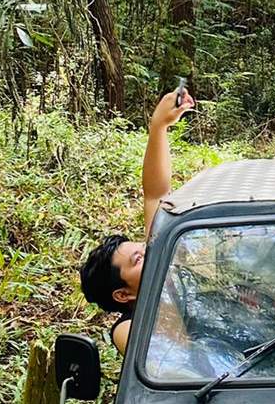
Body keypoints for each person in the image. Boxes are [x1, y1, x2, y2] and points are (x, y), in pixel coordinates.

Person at [80, 90, 195, 353]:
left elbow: (155, 194)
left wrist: (159, 126)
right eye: (138, 259)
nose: (149, 252)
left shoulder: (176, 278)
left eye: (143, 248)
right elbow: (175, 363)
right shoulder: (126, 329)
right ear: (123, 295)